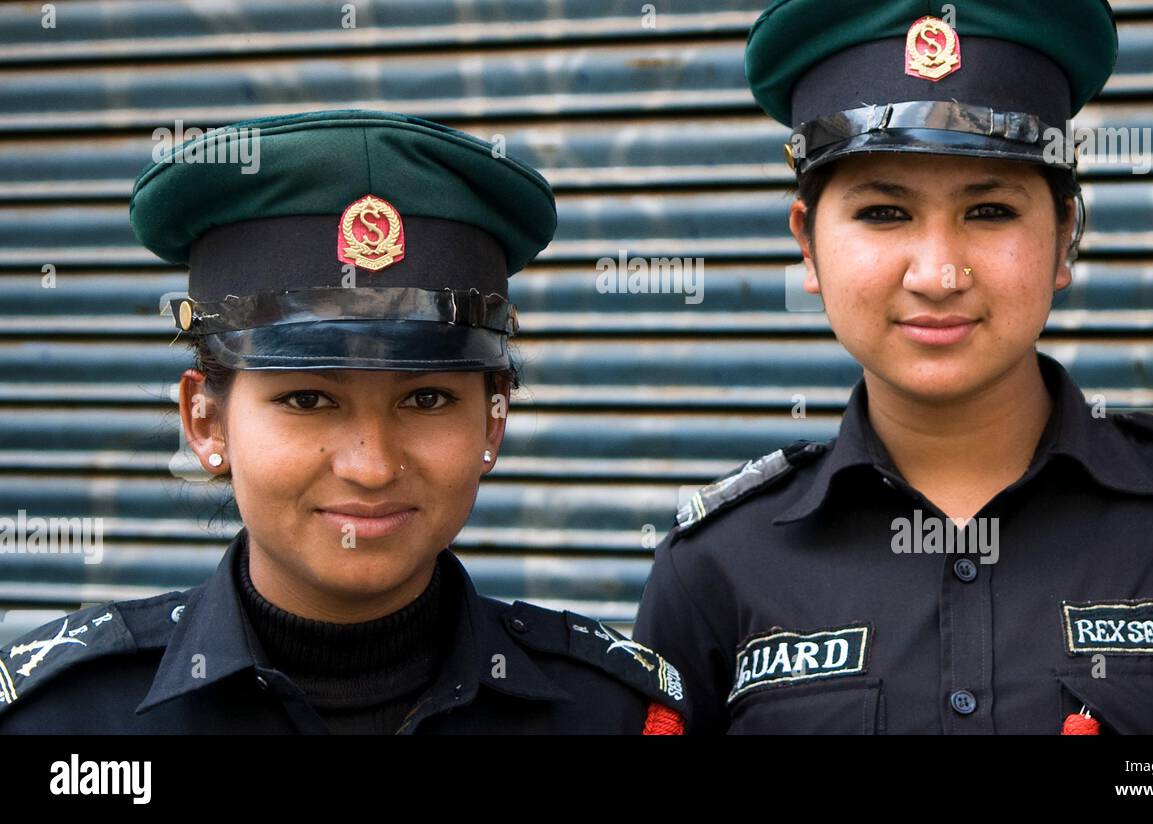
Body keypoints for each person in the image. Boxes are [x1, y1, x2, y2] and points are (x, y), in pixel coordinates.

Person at [633, 0, 1153, 734]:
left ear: (1064, 241)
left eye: (990, 212)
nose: (939, 273)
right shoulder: (714, 565)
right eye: (884, 214)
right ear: (807, 245)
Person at [0, 109, 686, 734]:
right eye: (307, 400)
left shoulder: (614, 717)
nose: (371, 465)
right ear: (204, 422)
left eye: (427, 399)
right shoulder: (64, 723)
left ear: (493, 422)